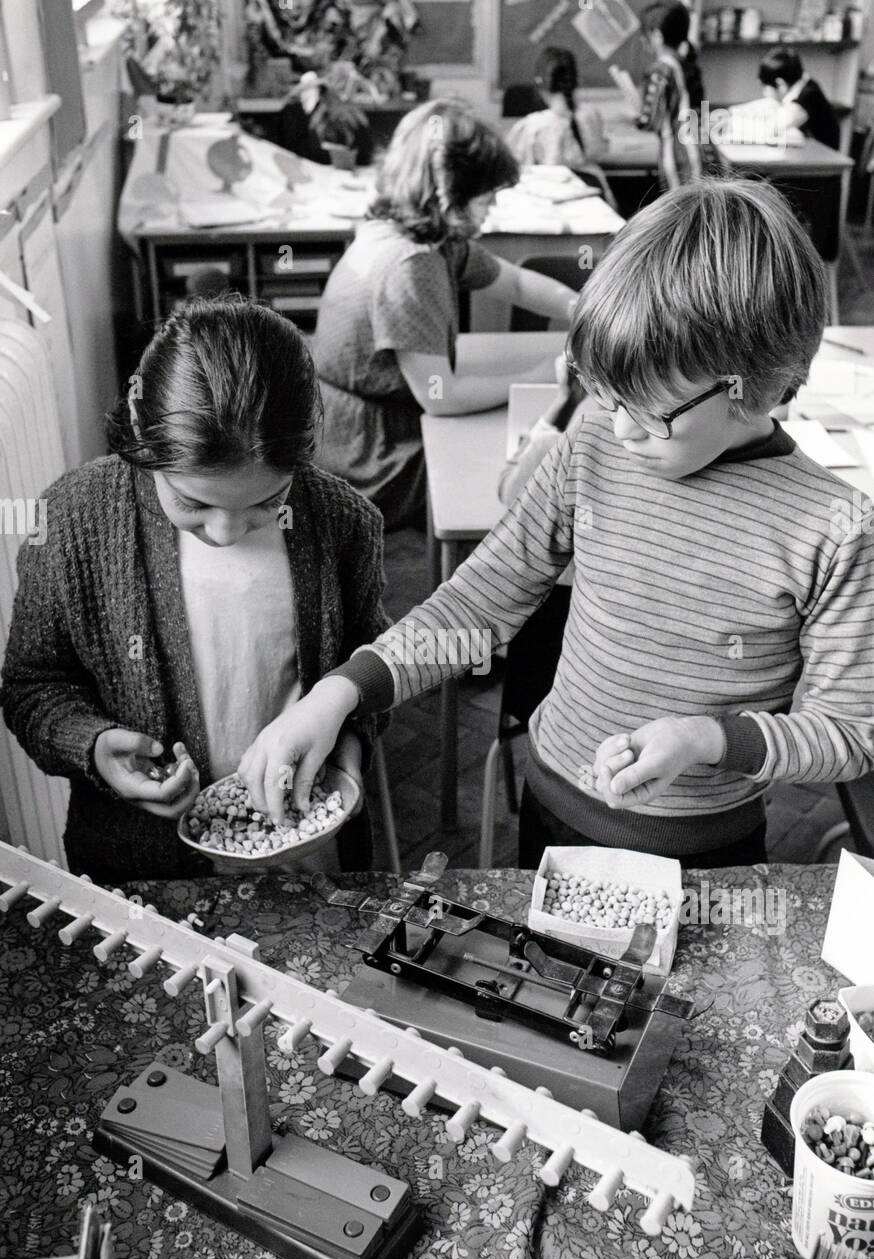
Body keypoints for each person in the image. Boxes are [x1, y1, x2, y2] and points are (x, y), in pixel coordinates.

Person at [244, 179, 874, 871]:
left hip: (703, 852)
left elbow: (847, 734)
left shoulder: (834, 529)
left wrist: (709, 739)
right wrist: (343, 690)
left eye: (652, 411)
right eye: (607, 394)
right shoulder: (598, 437)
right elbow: (482, 599)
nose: (622, 427)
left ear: (757, 384)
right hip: (553, 811)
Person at [0, 296, 388, 883]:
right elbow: (32, 685)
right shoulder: (72, 520)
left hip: (311, 856)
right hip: (147, 874)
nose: (226, 530)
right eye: (193, 503)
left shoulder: (342, 522)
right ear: (140, 430)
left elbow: (369, 667)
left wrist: (348, 749)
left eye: (267, 502)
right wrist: (95, 744)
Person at [312, 98, 580, 532]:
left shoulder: (430, 239)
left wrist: (588, 311)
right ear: (449, 194)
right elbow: (441, 398)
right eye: (486, 197)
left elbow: (515, 284)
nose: (492, 208)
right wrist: (536, 376)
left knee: (523, 446)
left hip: (377, 420)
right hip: (370, 450)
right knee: (511, 476)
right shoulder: (410, 266)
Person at [506, 47, 616, 206]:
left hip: (551, 201)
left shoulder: (532, 126)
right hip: (596, 199)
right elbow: (600, 152)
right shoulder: (591, 115)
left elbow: (515, 166)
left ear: (539, 82)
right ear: (575, 80)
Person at [637, 3, 715, 187]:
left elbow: (649, 122)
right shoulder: (688, 65)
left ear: (656, 35)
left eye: (644, 34)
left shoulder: (660, 71)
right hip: (704, 148)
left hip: (681, 157)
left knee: (682, 211)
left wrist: (633, 118)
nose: (641, 40)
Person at [758, 47, 840, 150]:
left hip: (822, 160)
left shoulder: (806, 98)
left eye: (766, 88)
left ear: (781, 84)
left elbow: (773, 128)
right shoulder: (806, 85)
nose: (764, 93)